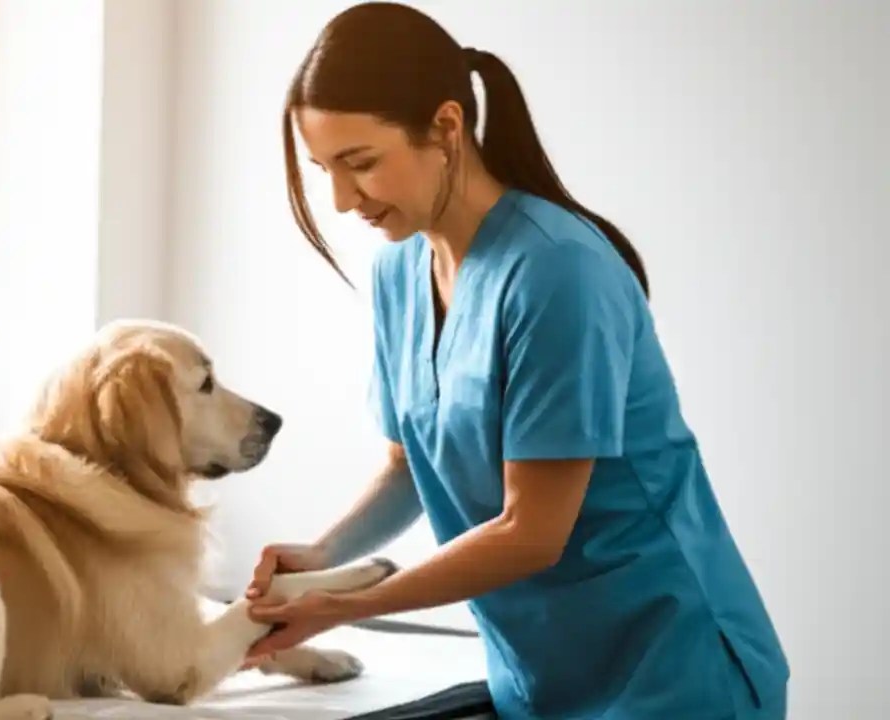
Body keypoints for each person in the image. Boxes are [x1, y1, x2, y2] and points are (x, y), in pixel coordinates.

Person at [241, 3, 790, 718]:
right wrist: (323, 557)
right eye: (325, 171)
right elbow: (412, 464)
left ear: (445, 127)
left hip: (674, 675)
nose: (343, 200)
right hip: (539, 680)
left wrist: (347, 604)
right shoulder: (399, 272)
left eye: (361, 164)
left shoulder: (558, 273)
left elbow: (531, 533)